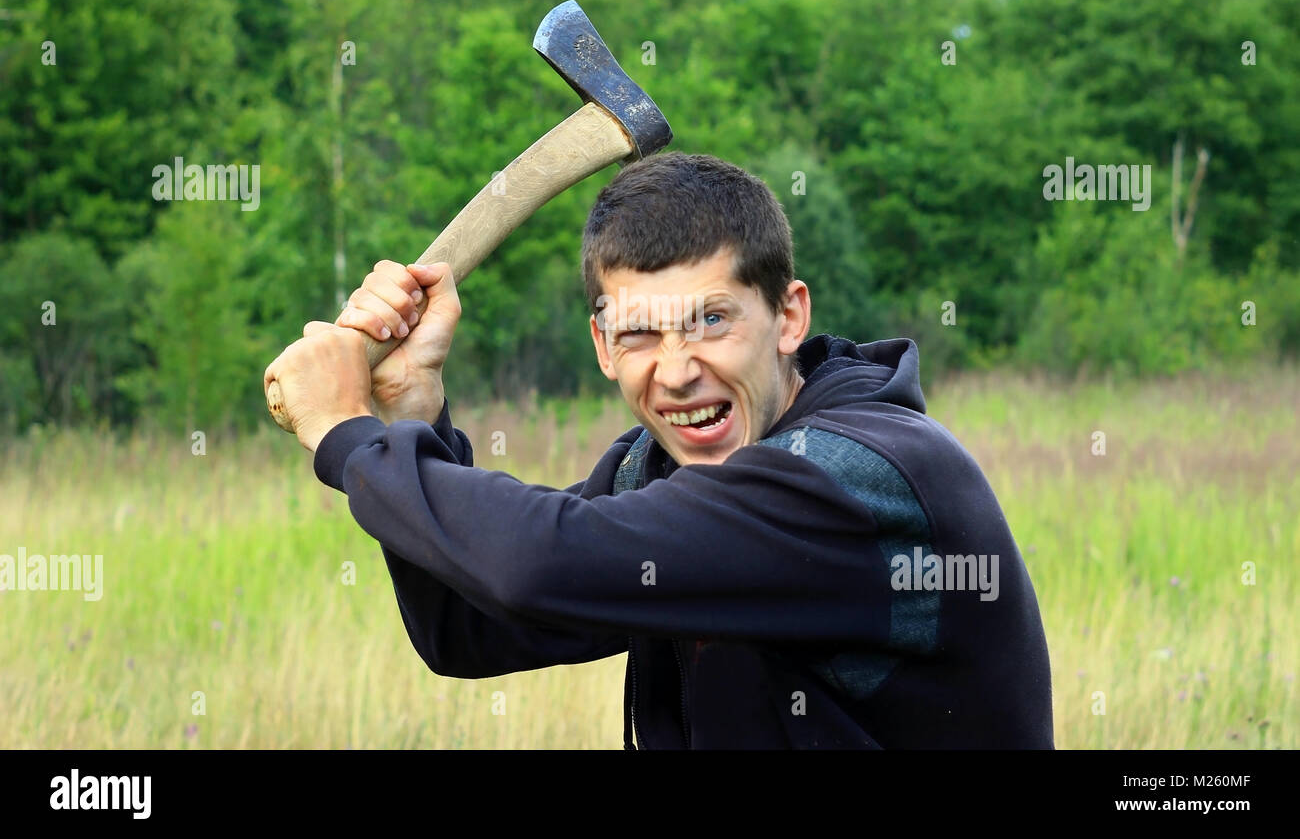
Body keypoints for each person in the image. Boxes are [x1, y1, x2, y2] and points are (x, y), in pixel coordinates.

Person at [264, 152, 1054, 749]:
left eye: (712, 320)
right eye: (640, 333)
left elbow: (541, 562)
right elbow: (470, 628)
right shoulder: (661, 470)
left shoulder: (853, 478)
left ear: (788, 317)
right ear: (602, 346)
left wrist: (347, 435)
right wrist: (412, 419)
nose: (677, 373)